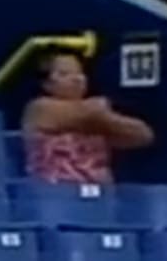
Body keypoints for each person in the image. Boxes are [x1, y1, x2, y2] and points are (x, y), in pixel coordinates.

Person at [21, 49, 155, 181]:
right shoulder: (38, 108)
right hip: (55, 195)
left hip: (99, 197)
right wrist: (101, 112)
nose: (77, 79)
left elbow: (143, 135)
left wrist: (104, 117)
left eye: (80, 73)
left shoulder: (99, 117)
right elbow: (86, 113)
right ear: (46, 84)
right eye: (64, 74)